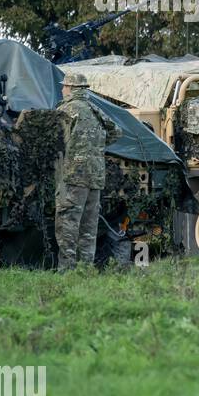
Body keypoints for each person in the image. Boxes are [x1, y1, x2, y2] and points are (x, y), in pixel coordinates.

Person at [54, 72, 120, 269]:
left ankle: (67, 270)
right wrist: (96, 147)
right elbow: (117, 131)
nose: (62, 89)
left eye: (64, 86)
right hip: (95, 176)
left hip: (73, 176)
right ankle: (85, 269)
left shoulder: (66, 110)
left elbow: (55, 140)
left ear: (72, 89)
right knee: (89, 228)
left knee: (68, 224)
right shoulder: (95, 110)